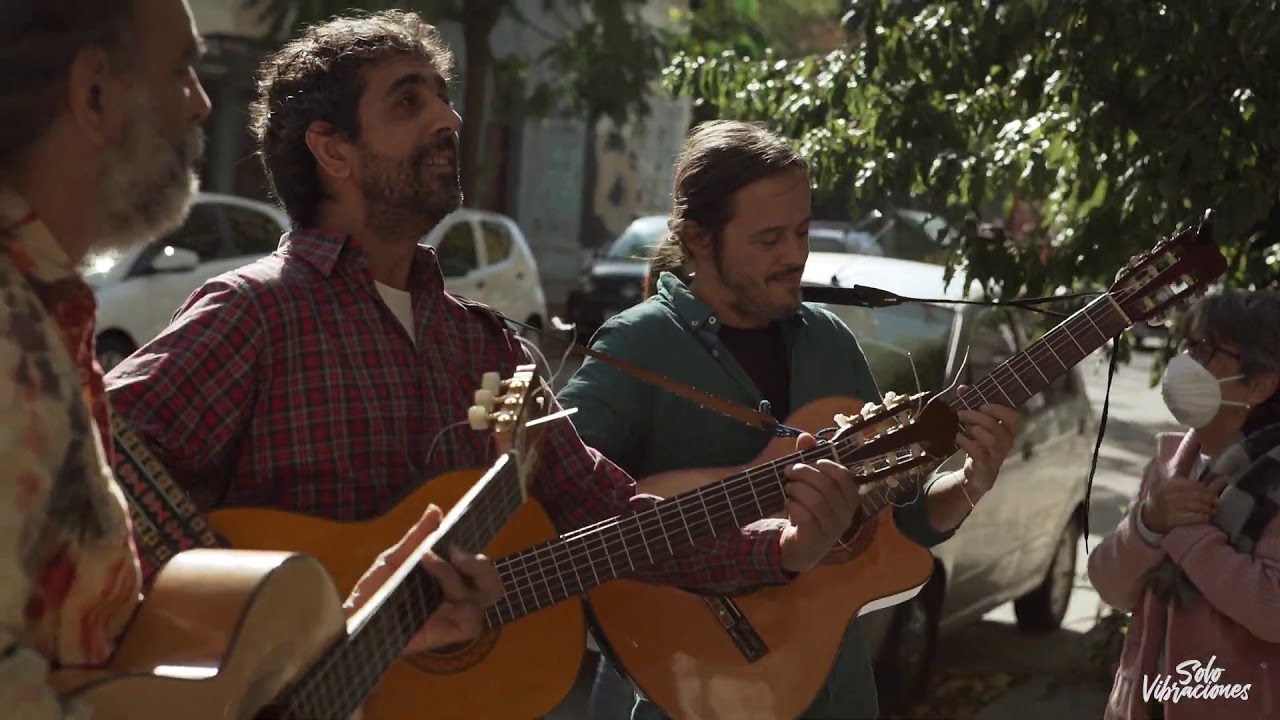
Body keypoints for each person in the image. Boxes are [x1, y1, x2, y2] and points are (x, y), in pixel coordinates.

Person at [103, 9, 866, 653]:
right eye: (409, 103)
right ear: (333, 150)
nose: (449, 119)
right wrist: (270, 632)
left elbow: (610, 514)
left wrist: (783, 546)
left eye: (443, 97)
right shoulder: (254, 315)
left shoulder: (487, 347)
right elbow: (92, 477)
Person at [0, 3, 500, 717]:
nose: (203, 105)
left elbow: (90, 647)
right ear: (94, 93)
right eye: (180, 71)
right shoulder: (11, 335)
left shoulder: (43, 320)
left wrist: (348, 632)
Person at [557, 119, 1021, 720]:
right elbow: (561, 503)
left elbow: (889, 528)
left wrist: (967, 486)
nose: (795, 256)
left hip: (836, 694)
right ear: (699, 239)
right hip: (700, 692)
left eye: (801, 231)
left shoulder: (829, 343)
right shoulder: (640, 344)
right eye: (769, 239)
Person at [1087, 289, 1280, 720]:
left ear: (1260, 385)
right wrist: (1149, 523)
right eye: (1189, 346)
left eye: (1205, 350)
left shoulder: (1273, 480)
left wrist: (1185, 532)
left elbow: (1273, 611)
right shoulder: (1172, 465)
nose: (1185, 364)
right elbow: (1109, 585)